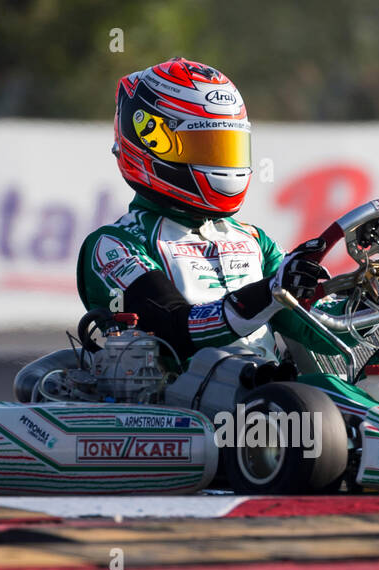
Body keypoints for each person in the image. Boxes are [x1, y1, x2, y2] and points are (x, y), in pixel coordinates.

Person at [76, 58, 340, 364]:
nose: (221, 162)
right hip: (184, 402)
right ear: (148, 141)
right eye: (202, 146)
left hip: (270, 397)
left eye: (227, 147)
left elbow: (322, 334)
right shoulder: (114, 245)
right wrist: (270, 292)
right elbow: (174, 329)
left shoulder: (254, 240)